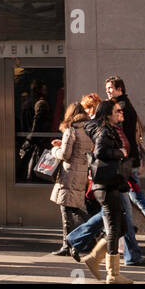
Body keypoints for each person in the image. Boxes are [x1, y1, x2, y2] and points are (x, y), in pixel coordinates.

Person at [105, 76, 145, 247]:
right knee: (133, 197)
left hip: (125, 161)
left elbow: (120, 134)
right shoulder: (124, 105)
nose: (108, 90)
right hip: (129, 159)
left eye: (111, 87)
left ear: (120, 89)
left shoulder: (121, 108)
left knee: (132, 197)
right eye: (107, 87)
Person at [84, 97, 133, 284]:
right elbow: (100, 152)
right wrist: (120, 153)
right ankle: (112, 275)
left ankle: (94, 258)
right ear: (108, 115)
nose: (120, 113)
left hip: (108, 185)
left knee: (121, 227)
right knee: (114, 227)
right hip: (105, 185)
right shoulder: (105, 130)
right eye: (117, 111)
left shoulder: (108, 129)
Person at [48, 101, 90, 255]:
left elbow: (65, 155)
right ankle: (96, 229)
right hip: (82, 172)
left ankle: (67, 245)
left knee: (66, 210)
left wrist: (55, 150)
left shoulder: (71, 130)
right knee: (75, 208)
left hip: (69, 173)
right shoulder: (88, 129)